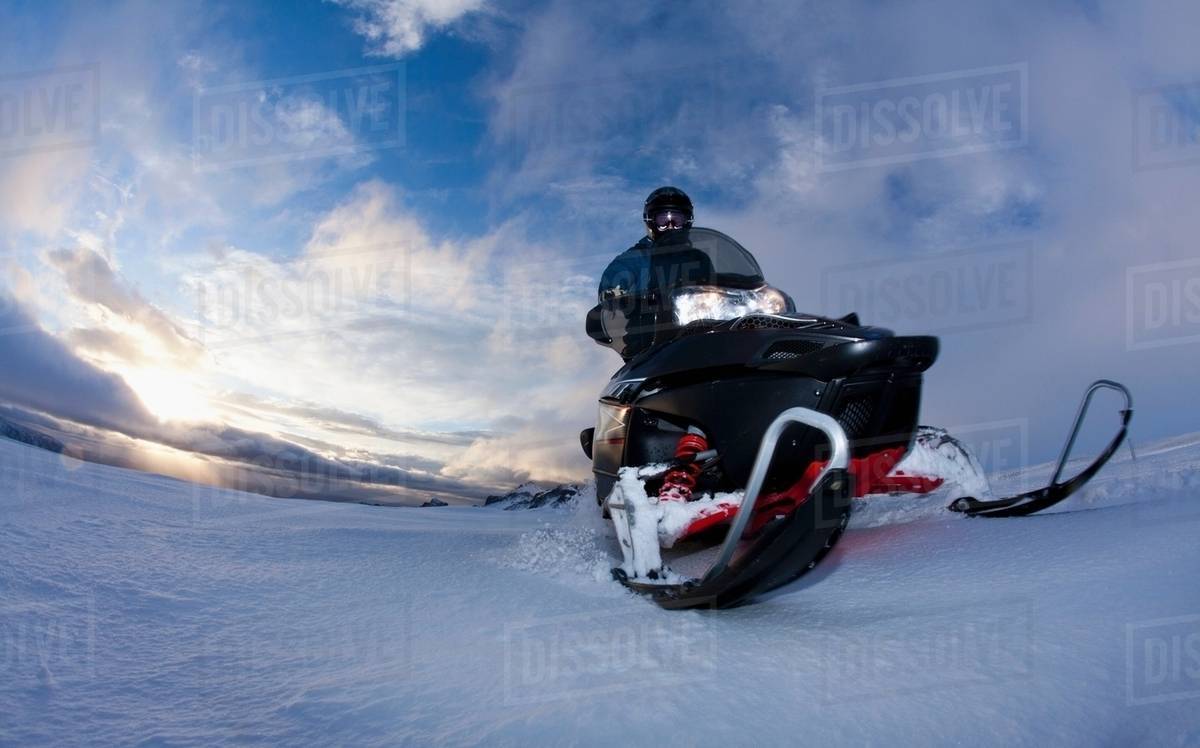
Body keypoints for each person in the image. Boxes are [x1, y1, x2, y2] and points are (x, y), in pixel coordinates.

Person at [595, 187, 699, 360]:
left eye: (677, 219)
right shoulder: (636, 257)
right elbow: (615, 278)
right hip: (648, 344)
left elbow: (718, 283)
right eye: (663, 220)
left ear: (687, 222)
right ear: (651, 222)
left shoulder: (699, 258)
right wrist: (614, 294)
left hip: (698, 336)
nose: (671, 226)